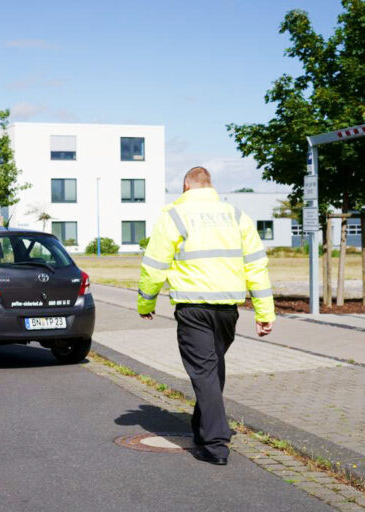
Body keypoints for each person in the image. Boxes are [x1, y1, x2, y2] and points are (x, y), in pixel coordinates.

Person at [136, 166, 275, 466]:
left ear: (186, 185)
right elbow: (256, 266)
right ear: (209, 186)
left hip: (193, 307)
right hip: (228, 310)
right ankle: (203, 429)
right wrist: (265, 311)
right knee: (212, 368)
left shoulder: (174, 215)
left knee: (204, 372)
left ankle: (216, 444)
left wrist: (146, 303)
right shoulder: (237, 216)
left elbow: (154, 265)